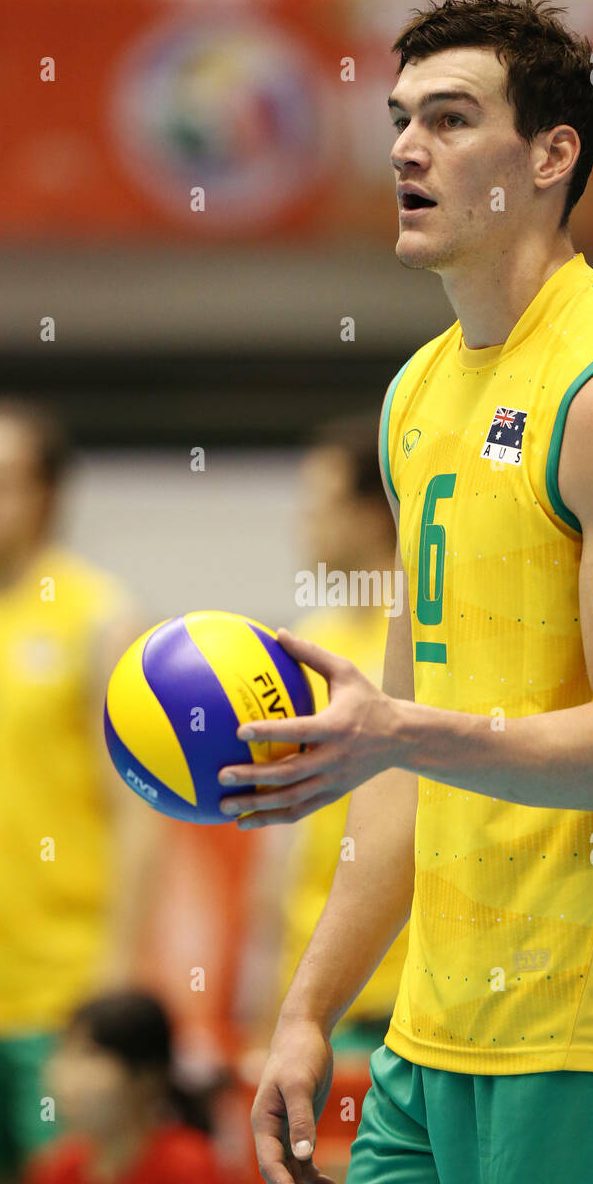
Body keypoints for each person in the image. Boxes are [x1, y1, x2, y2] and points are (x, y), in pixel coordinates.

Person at [220, 0, 593, 1184]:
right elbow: (394, 750)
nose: (404, 148)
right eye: (398, 120)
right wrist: (308, 1007)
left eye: (449, 121)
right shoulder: (417, 392)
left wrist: (403, 729)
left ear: (549, 156)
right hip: (432, 1026)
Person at [0, 397, 160, 1184]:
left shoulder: (100, 616)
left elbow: (137, 807)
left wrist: (116, 971)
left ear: (48, 495)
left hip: (60, 989)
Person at [238, 417, 409, 1063]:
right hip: (322, 983)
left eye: (317, 506)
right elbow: (280, 845)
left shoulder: (428, 639)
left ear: (371, 513)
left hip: (420, 982)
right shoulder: (303, 646)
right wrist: (269, 1004)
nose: (302, 525)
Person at [23, 990, 239, 1184]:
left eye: (90, 1055)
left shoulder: (188, 1171)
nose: (62, 1078)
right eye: (62, 1053)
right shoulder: (54, 1174)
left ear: (147, 1076)